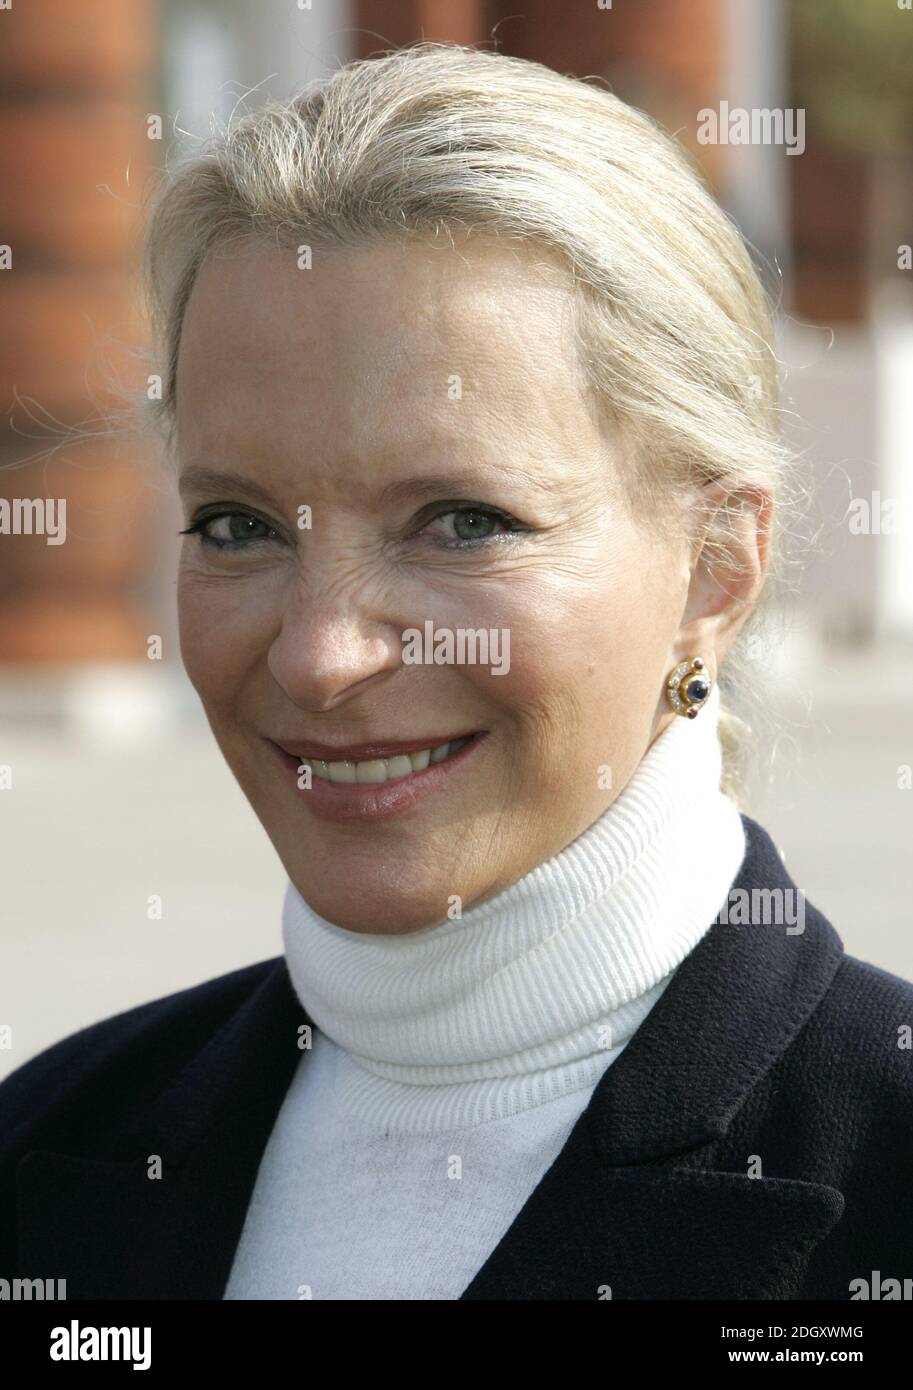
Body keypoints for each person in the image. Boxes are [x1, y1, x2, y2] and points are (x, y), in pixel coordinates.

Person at [1, 42, 910, 1301]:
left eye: (462, 520)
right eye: (238, 526)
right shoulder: (47, 1150)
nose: (322, 659)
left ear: (716, 568)